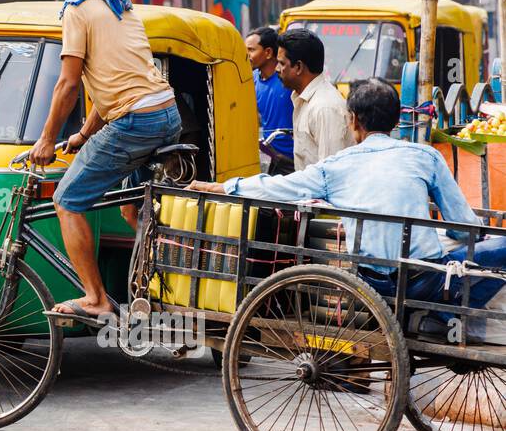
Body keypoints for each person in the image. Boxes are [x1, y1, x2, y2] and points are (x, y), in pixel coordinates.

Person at [190, 79, 506, 337]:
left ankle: (429, 318)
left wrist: (221, 187)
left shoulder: (334, 166)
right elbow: (463, 226)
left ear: (353, 119)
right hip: (423, 282)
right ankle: (440, 316)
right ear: (396, 121)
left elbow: (276, 187)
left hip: (368, 282)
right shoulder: (425, 157)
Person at [30, 0, 182, 321]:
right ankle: (171, 283)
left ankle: (96, 297)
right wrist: (82, 134)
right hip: (166, 113)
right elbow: (113, 84)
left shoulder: (77, 12)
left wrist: (47, 140)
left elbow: (67, 85)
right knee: (133, 208)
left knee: (67, 201)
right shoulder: (122, 9)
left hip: (137, 121)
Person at [277, 27, 352, 170]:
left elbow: (330, 173)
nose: (277, 69)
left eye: (281, 63)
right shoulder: (303, 99)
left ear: (298, 67)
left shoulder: (324, 108)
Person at [245, 26, 293, 174]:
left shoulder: (289, 80)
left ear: (268, 52)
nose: (246, 55)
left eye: (251, 50)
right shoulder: (252, 80)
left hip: (294, 159)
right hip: (269, 156)